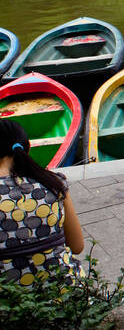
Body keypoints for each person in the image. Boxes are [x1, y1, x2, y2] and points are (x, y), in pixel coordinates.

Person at [0, 119, 85, 286]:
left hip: (11, 299)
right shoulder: (54, 182)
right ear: (26, 147)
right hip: (65, 290)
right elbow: (77, 246)